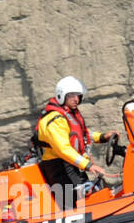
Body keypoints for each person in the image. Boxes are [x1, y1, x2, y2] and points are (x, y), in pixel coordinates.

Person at [34, 76, 119, 210]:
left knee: (91, 190)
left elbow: (81, 134)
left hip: (71, 165)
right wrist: (89, 165)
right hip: (59, 167)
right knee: (77, 201)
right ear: (62, 95)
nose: (76, 99)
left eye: (78, 96)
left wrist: (102, 137)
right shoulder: (55, 119)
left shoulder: (69, 115)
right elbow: (63, 149)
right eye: (72, 95)